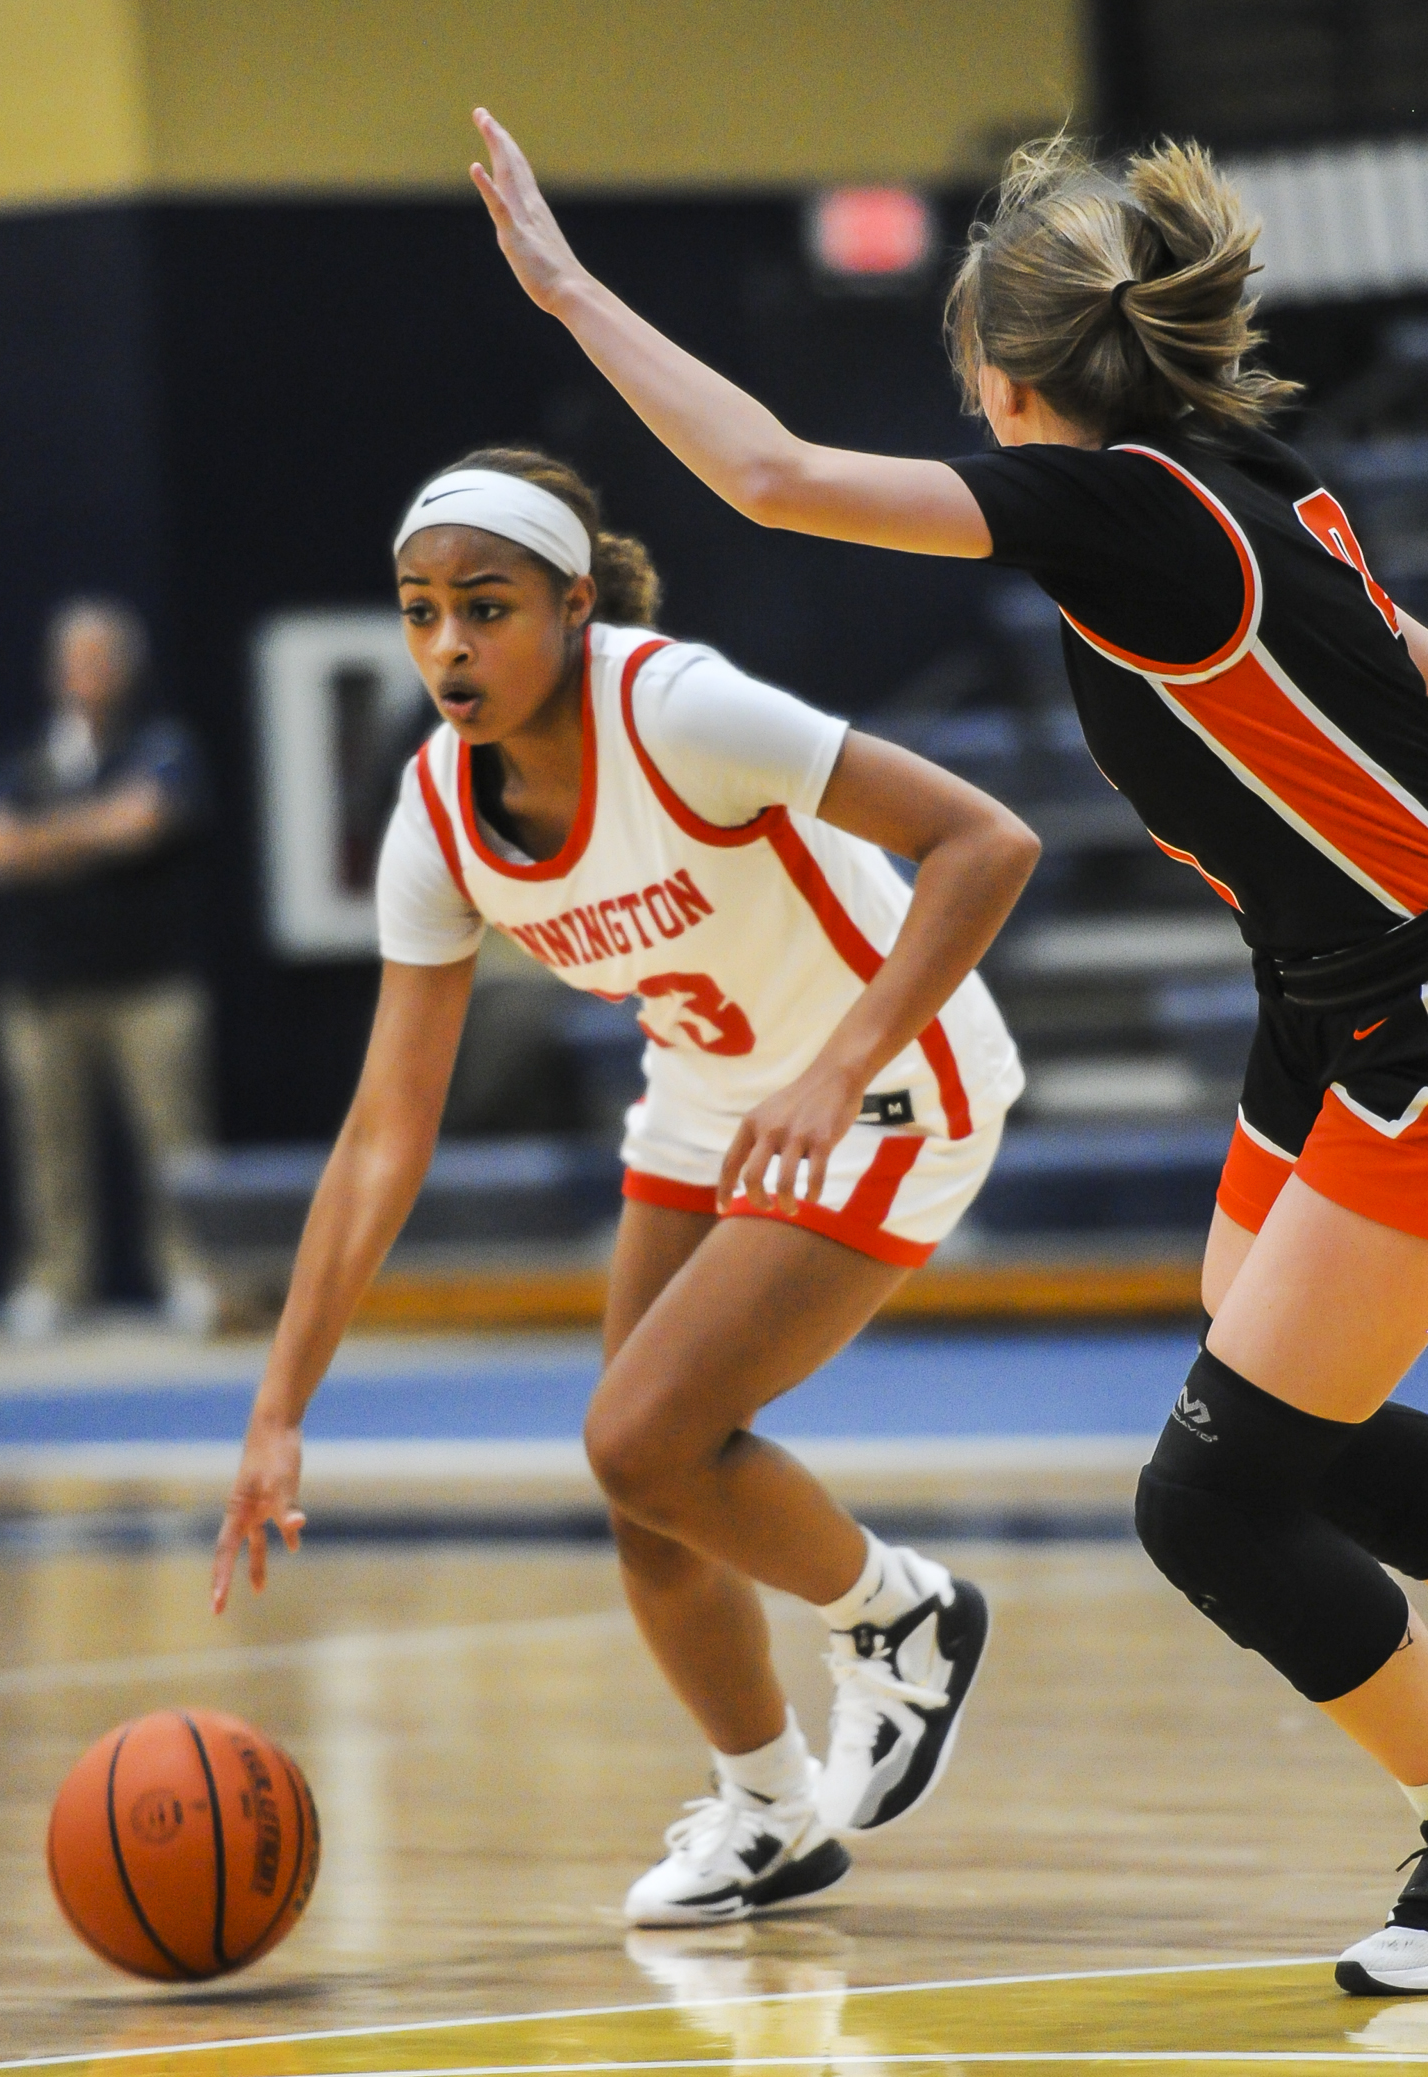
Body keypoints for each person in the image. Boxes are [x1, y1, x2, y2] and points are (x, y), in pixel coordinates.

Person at [466, 111, 1428, 1988]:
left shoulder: (1118, 509)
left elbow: (766, 474)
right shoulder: (1236, 473)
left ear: (1002, 378)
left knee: (1211, 1500)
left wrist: (568, 290)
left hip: (1403, 990)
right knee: (1282, 1437)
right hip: (1322, 992)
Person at [211, 447, 1037, 1924]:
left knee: (641, 1437)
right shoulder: (437, 815)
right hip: (710, 1097)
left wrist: (840, 1065)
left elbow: (986, 840)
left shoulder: (678, 710)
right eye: (419, 613)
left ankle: (900, 1614)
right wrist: (280, 1408)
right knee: (649, 1498)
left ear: (574, 605)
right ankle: (771, 1812)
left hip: (889, 1083)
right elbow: (386, 1131)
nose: (449, 647)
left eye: (486, 607)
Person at [0, 599, 217, 1339]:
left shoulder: (162, 746)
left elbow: (144, 821)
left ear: (127, 669)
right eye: (74, 660)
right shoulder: (21, 761)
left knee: (174, 1141)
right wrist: (93, 829)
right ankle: (55, 1280)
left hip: (149, 986)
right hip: (42, 990)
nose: (86, 674)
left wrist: (45, 839)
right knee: (47, 1148)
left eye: (101, 659)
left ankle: (192, 1274)